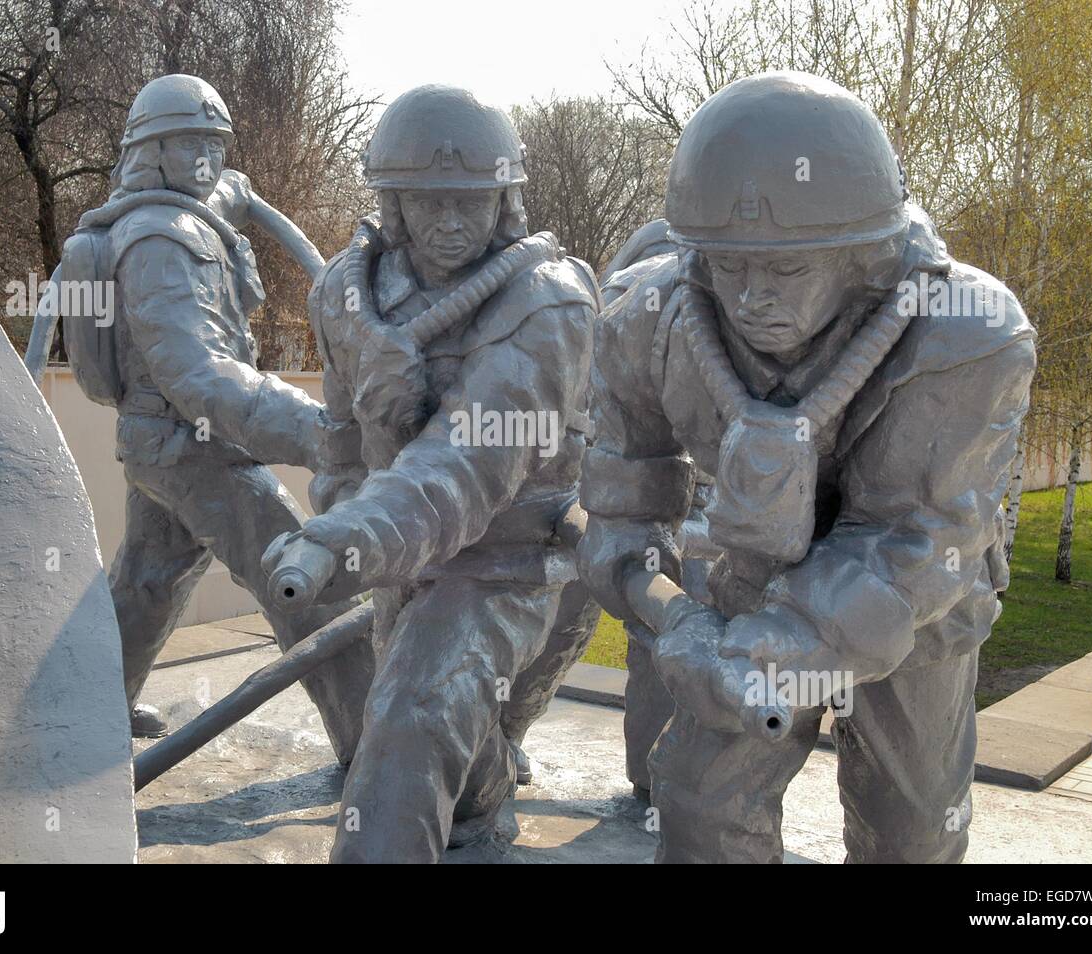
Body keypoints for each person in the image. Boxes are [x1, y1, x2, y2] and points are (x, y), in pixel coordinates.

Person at [577, 72, 1036, 863]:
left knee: (913, 830)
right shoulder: (648, 323)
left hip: (917, 605)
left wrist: (780, 647)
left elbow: (914, 542)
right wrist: (672, 616)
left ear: (863, 257)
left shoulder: (967, 333)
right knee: (697, 796)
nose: (752, 297)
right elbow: (620, 519)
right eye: (729, 267)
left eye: (787, 271)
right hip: (753, 591)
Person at [261, 85, 601, 862]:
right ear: (394, 204)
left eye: (471, 203)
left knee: (411, 722)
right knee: (439, 720)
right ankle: (480, 828)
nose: (451, 223)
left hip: (500, 564)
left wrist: (344, 539)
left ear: (505, 201)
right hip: (393, 557)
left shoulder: (545, 304)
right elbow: (343, 442)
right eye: (430, 202)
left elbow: (466, 465)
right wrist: (344, 515)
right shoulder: (345, 295)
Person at [65, 74, 373, 752]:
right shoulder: (160, 241)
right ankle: (381, 747)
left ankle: (90, 713)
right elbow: (198, 375)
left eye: (216, 144)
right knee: (303, 576)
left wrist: (224, 192)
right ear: (153, 150)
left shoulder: (170, 218)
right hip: (193, 446)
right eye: (191, 144)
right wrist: (319, 432)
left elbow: (219, 197)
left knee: (148, 580)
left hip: (156, 443)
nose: (209, 160)